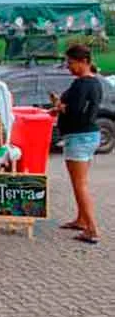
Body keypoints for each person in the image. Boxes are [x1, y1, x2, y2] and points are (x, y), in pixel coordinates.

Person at [52, 44, 102, 244]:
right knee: (81, 182)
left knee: (79, 185)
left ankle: (92, 228)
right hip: (91, 135)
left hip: (79, 137)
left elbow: (75, 110)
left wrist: (59, 106)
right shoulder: (96, 82)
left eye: (71, 63)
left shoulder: (81, 84)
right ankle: (81, 219)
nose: (69, 67)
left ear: (84, 62)